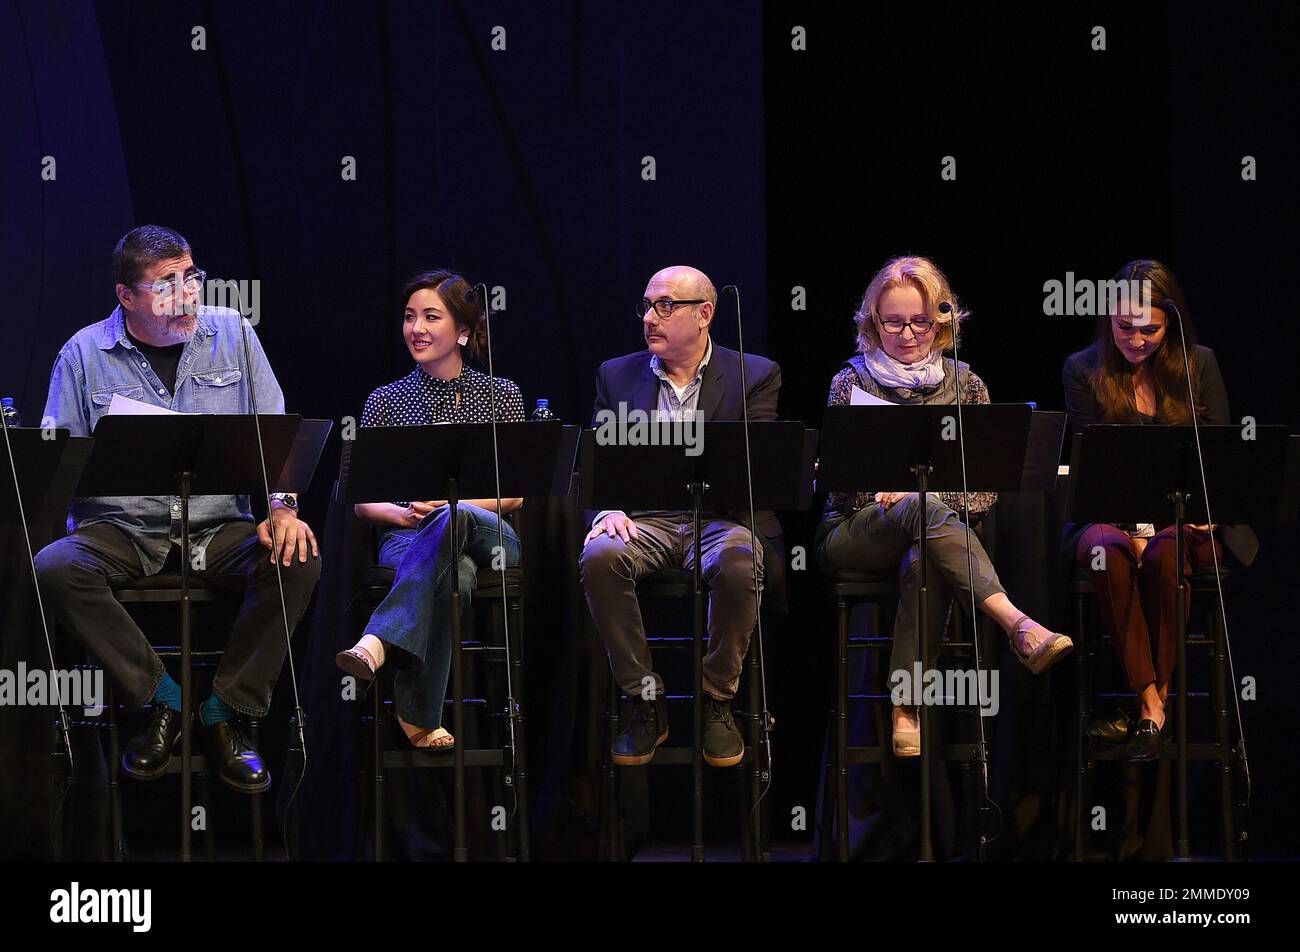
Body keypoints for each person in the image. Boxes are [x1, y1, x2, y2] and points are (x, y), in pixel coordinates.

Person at [35, 224, 321, 792]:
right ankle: (160, 699)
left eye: (191, 277)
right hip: (122, 528)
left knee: (298, 558)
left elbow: (277, 434)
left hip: (218, 526)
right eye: (167, 284)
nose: (187, 293)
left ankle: (223, 711)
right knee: (56, 566)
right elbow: (54, 463)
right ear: (127, 296)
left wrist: (283, 508)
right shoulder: (84, 353)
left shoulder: (234, 333)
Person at [815, 255, 1072, 757]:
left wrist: (920, 496)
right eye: (894, 321)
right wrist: (886, 493)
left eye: (921, 321)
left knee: (925, 557)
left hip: (934, 536)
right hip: (852, 534)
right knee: (922, 511)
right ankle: (1019, 625)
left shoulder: (967, 385)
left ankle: (906, 705)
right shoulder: (851, 382)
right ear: (873, 323)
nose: (908, 332)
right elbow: (841, 490)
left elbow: (984, 492)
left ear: (942, 322)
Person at [578, 265, 782, 768]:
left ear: (705, 314)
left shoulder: (754, 375)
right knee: (601, 555)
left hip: (719, 519)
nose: (651, 317)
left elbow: (757, 466)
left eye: (665, 305)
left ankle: (717, 698)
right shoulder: (616, 374)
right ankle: (644, 699)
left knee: (738, 562)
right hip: (643, 520)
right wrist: (607, 507)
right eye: (647, 305)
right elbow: (597, 465)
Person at [335, 270, 524, 750]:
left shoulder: (501, 395)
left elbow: (515, 495)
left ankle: (377, 641)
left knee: (453, 517)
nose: (415, 328)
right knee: (455, 576)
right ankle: (419, 714)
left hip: (488, 533)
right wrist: (402, 516)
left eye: (430, 317)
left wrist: (450, 508)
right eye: (408, 317)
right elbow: (361, 502)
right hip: (408, 535)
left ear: (462, 330)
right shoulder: (385, 401)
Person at [1062, 259, 1228, 761]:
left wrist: (1211, 512)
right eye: (1123, 328)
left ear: (1170, 323)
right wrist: (1131, 526)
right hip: (1110, 518)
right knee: (1105, 551)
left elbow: (1222, 459)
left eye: (1150, 329)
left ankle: (1147, 709)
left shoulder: (1200, 364)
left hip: (1187, 523)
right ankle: (1152, 702)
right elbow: (1096, 469)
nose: (1135, 339)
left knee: (1163, 554)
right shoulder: (1083, 370)